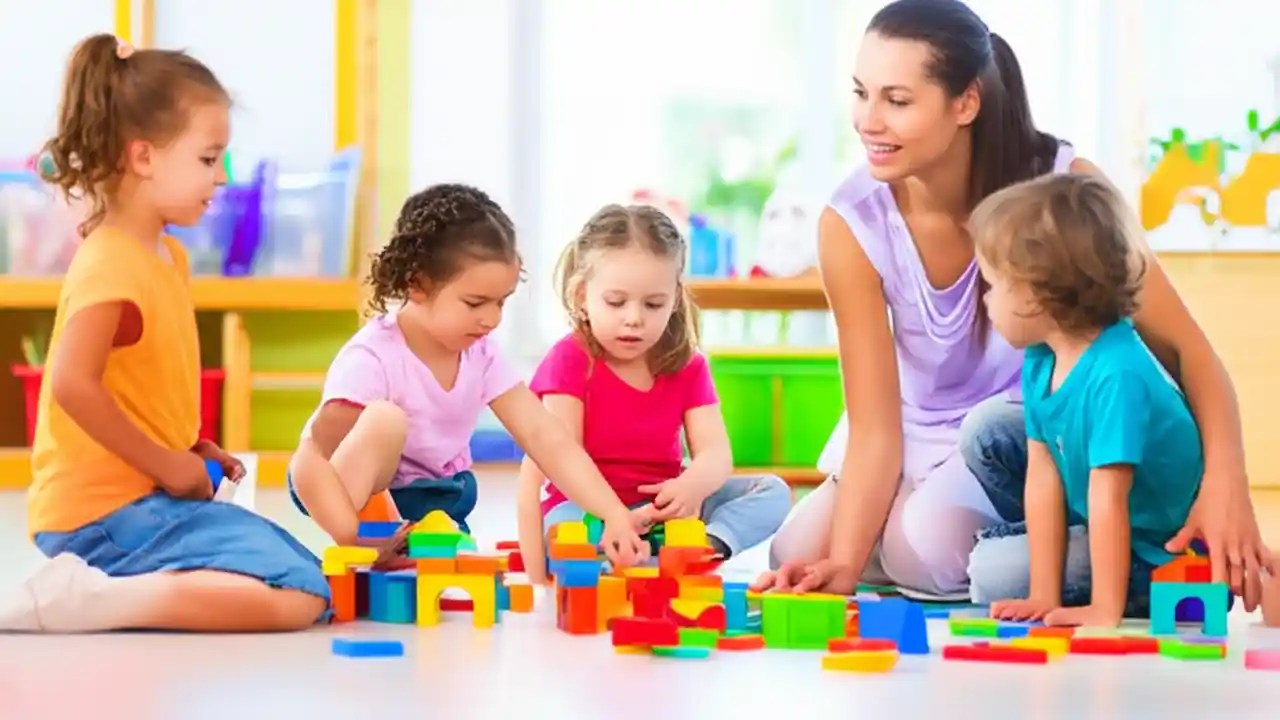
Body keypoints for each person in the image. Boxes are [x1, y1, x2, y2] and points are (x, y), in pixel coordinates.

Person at [755, 0, 1273, 606]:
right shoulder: (851, 220)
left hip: (1021, 435)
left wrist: (1226, 483)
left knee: (916, 556)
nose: (868, 121)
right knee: (795, 554)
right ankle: (939, 530)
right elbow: (873, 426)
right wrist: (844, 563)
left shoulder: (1062, 190)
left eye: (897, 101)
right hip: (913, 433)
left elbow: (1187, 349)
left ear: (965, 103)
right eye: (861, 93)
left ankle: (1111, 548)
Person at [0, 35, 328, 632]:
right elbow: (71, 384)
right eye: (208, 159)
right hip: (102, 515)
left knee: (305, 575)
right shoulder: (111, 263)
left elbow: (138, 390)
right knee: (299, 592)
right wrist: (167, 465)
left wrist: (190, 448)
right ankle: (90, 599)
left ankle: (103, 591)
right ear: (143, 157)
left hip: (139, 501)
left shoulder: (164, 257)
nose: (221, 178)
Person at [287, 184, 648, 569]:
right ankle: (366, 546)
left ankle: (401, 547)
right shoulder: (371, 358)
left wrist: (613, 512)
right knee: (385, 419)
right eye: (475, 303)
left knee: (456, 579)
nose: (492, 319)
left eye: (501, 302)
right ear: (417, 284)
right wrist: (352, 535)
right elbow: (311, 460)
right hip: (345, 491)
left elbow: (545, 437)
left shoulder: (482, 354)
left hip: (436, 500)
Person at [967, 173, 1215, 625]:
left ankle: (1110, 586)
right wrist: (1043, 595)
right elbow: (1043, 473)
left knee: (990, 574)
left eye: (992, 285)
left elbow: (1109, 498)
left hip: (1152, 551)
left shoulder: (1117, 373)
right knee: (983, 432)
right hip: (1098, 513)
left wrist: (1104, 608)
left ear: (1036, 295)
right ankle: (1047, 554)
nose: (985, 300)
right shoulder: (1042, 357)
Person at [516, 204, 791, 582]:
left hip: (662, 509)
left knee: (772, 492)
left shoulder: (688, 365)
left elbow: (715, 453)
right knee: (565, 530)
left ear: (674, 299)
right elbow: (563, 461)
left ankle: (698, 550)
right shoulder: (569, 359)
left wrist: (691, 487)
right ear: (582, 296)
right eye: (616, 302)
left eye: (653, 304)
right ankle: (617, 558)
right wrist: (614, 515)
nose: (634, 318)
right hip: (587, 508)